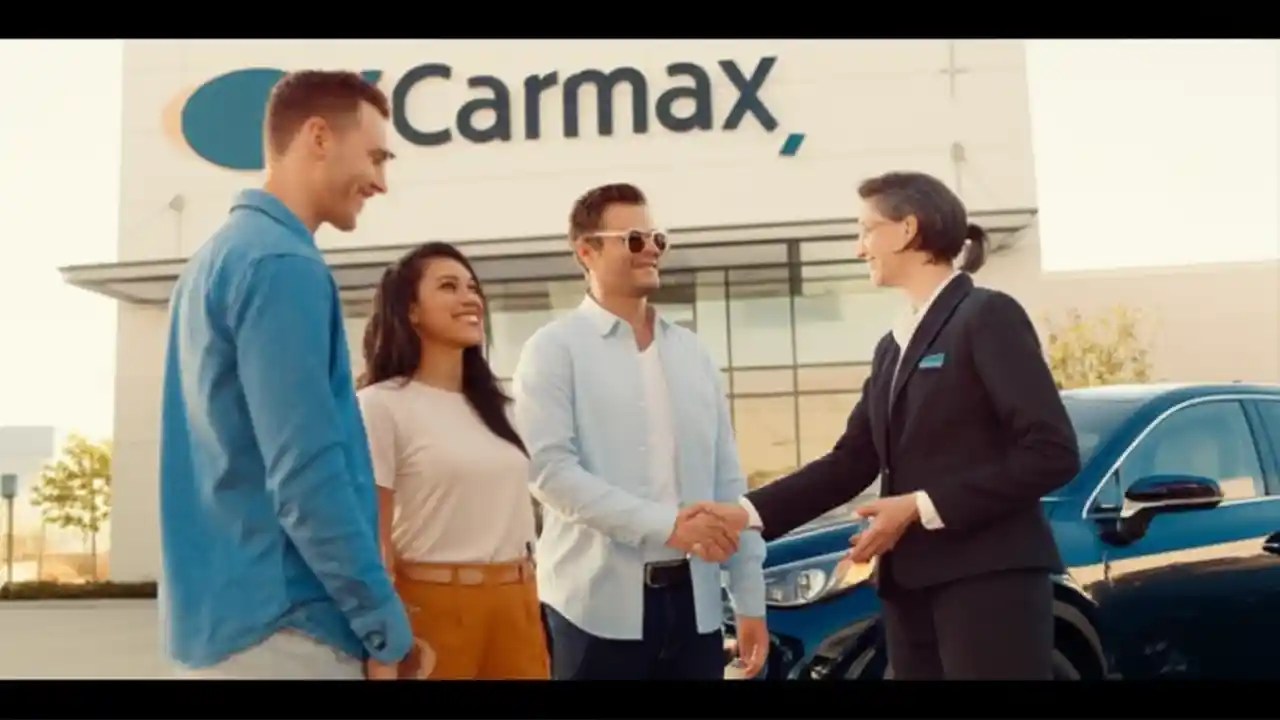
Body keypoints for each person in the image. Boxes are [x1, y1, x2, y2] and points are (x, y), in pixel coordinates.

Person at [687, 171, 1081, 680]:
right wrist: (744, 513)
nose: (859, 248)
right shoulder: (893, 345)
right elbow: (851, 461)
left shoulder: (987, 316)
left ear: (906, 230)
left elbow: (1051, 452)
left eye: (867, 230)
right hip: (910, 587)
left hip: (988, 582)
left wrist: (920, 506)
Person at [158, 70, 423, 680]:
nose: (382, 181)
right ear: (319, 137)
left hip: (222, 632)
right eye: (377, 156)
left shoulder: (217, 258)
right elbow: (307, 476)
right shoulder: (282, 264)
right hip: (285, 632)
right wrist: (383, 628)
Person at [511, 182, 769, 680]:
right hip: (592, 612)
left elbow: (728, 484)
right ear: (586, 251)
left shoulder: (693, 354)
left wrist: (749, 598)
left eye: (657, 238)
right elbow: (550, 473)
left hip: (697, 612)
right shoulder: (552, 350)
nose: (651, 248)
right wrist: (667, 525)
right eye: (632, 238)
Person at [355, 241, 550, 680]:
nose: (469, 298)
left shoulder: (502, 409)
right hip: (431, 610)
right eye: (448, 286)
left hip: (517, 606)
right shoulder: (379, 406)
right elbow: (373, 537)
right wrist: (380, 643)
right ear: (411, 311)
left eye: (472, 287)